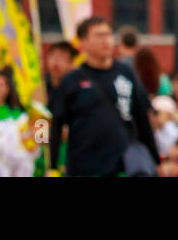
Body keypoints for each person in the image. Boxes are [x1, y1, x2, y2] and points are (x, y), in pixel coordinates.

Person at [48, 16, 159, 177]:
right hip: (83, 168)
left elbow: (143, 119)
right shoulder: (72, 80)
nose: (106, 40)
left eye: (108, 35)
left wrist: (156, 160)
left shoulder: (126, 74)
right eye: (99, 36)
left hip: (123, 166)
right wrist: (50, 165)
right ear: (82, 42)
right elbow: (50, 122)